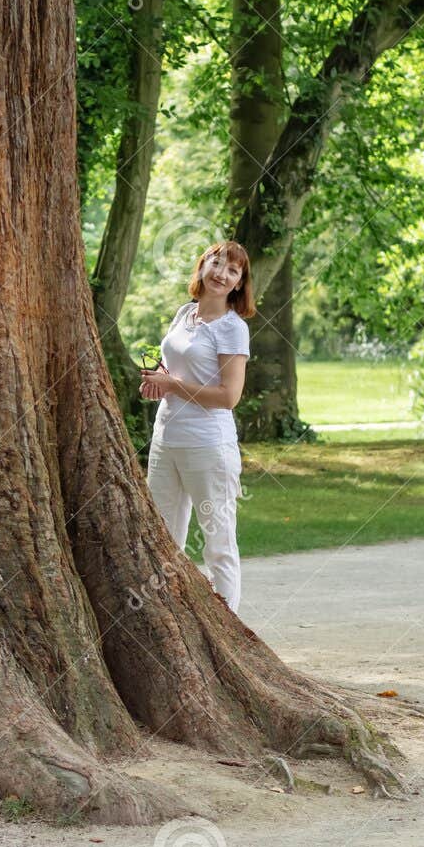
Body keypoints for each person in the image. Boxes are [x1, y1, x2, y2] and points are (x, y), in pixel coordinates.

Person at [139, 240, 254, 615]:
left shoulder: (233, 328)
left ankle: (232, 631)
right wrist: (158, 381)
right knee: (162, 540)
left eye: (232, 270)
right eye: (216, 263)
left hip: (208, 446)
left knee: (218, 542)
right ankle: (174, 623)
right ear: (203, 267)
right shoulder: (184, 314)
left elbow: (228, 396)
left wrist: (173, 386)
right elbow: (175, 370)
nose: (222, 273)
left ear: (239, 283)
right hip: (166, 440)